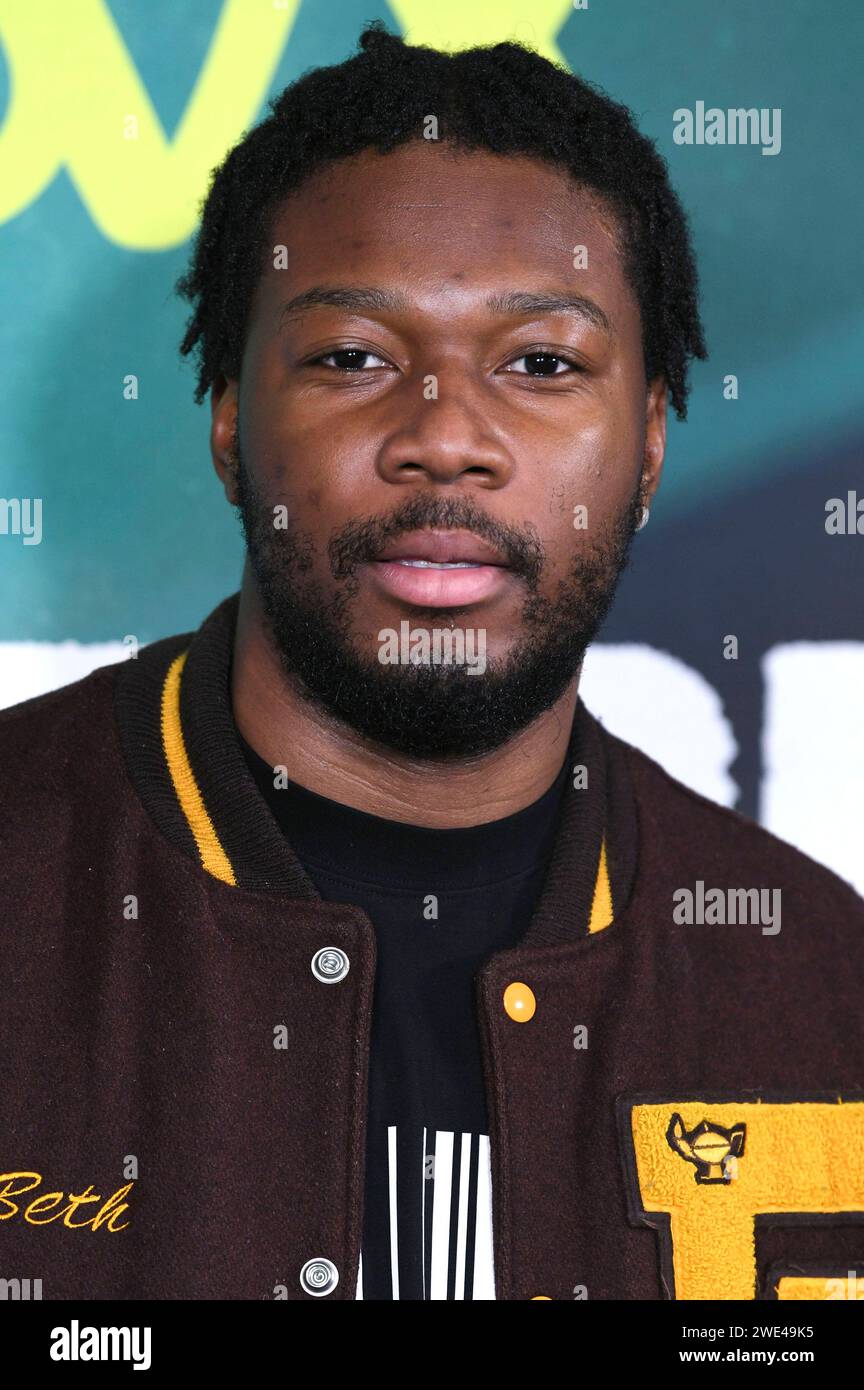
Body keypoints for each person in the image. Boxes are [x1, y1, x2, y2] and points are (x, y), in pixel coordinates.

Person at [1, 22, 862, 1303]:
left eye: (542, 363)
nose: (446, 438)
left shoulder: (817, 986)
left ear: (650, 447)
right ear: (233, 424)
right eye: (353, 356)